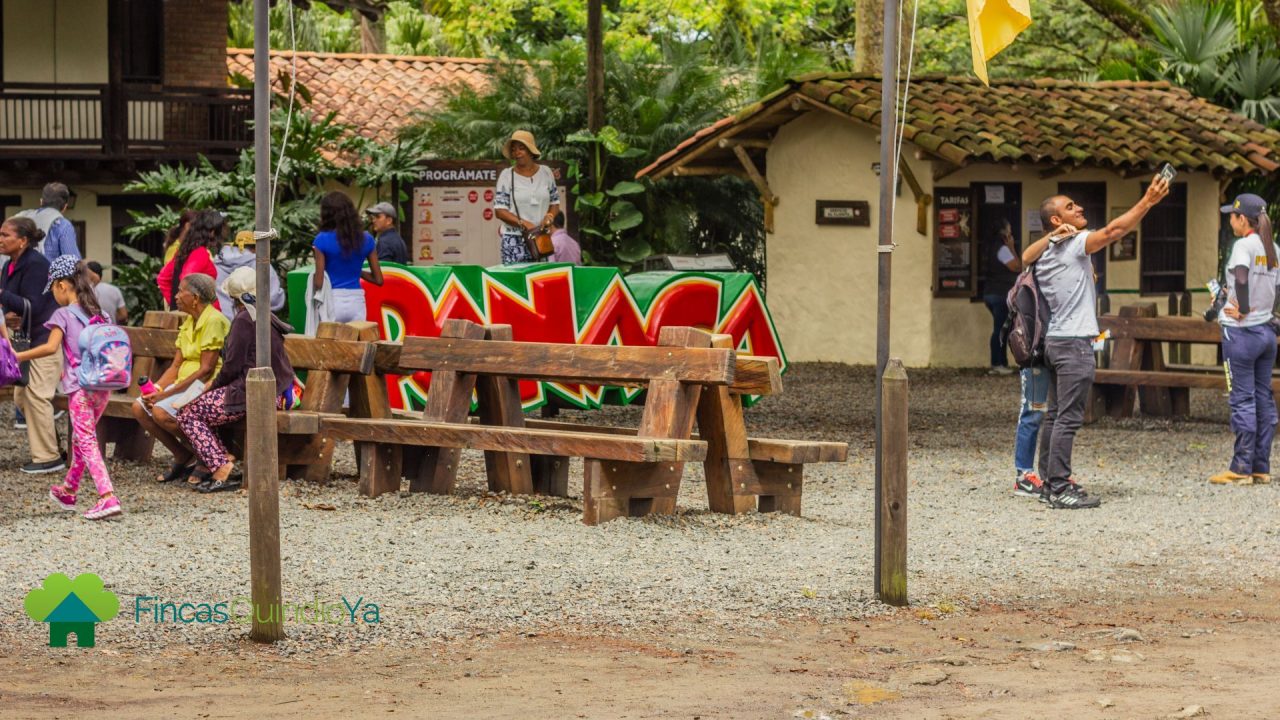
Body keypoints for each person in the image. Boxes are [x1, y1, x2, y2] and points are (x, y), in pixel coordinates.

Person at [1021, 176, 1170, 509]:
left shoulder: (1045, 251)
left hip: (1055, 341)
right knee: (1068, 418)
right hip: (1074, 344)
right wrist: (1148, 200)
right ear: (1056, 220)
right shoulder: (1074, 243)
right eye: (1070, 207)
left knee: (1055, 416)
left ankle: (1049, 482)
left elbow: (1026, 255)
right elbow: (1115, 231)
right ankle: (1060, 487)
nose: (1079, 208)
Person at [10, 256, 121, 519]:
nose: (53, 294)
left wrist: (18, 356)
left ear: (62, 285)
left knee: (86, 439)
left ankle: (107, 496)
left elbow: (50, 348)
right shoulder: (100, 313)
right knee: (81, 438)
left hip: (80, 388)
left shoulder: (63, 314)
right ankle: (68, 490)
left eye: (53, 288)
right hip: (103, 385)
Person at [178, 267, 296, 493]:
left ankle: (220, 465)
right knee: (201, 407)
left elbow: (231, 367)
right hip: (273, 391)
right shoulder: (265, 315)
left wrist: (212, 386)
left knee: (188, 412)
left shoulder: (244, 319)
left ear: (233, 297)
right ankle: (219, 458)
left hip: (252, 392)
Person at [131, 273, 229, 484]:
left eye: (180, 291)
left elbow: (206, 370)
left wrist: (164, 396)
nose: (175, 296)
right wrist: (156, 389)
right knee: (139, 407)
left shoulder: (213, 320)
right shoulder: (189, 321)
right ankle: (182, 454)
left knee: (161, 411)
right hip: (184, 384)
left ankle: (207, 455)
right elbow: (176, 366)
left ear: (195, 298)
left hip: (205, 386)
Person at [1209, 194, 1279, 486]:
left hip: (1241, 333)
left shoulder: (1243, 246)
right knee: (1263, 397)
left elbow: (1240, 277)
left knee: (1242, 398)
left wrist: (1245, 308)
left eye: (1232, 215)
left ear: (1242, 219)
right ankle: (1261, 466)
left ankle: (1240, 468)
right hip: (1266, 333)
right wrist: (1265, 310)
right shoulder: (1273, 248)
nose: (1230, 220)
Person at [0, 217, 64, 474]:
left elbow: (34, 305)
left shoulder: (36, 264)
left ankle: (48, 457)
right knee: (21, 396)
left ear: (23, 240)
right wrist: (7, 314)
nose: (0, 239)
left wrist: (3, 296)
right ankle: (54, 447)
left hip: (45, 339)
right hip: (25, 339)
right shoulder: (9, 265)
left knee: (37, 395)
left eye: (5, 235)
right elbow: (13, 303)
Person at [312, 191, 383, 323]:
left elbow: (319, 283)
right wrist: (355, 271)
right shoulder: (367, 239)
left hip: (332, 300)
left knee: (330, 337)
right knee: (356, 337)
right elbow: (378, 280)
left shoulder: (321, 240)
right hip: (357, 301)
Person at [493, 130, 561, 264]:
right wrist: (524, 223)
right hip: (514, 240)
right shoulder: (507, 175)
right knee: (515, 277)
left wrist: (549, 217)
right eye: (513, 150)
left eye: (521, 148)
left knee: (539, 276)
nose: (516, 153)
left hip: (540, 239)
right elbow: (499, 211)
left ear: (531, 151)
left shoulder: (546, 173)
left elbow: (555, 203)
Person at [158, 209, 223, 311]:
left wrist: (176, 305)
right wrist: (190, 309)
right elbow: (186, 281)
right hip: (204, 314)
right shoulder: (200, 253)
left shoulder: (184, 251)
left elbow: (163, 278)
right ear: (212, 232)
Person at [214, 230, 285, 320]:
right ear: (255, 248)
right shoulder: (261, 264)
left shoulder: (217, 264)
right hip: (252, 321)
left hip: (221, 320)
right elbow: (273, 298)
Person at [984, 220, 1021, 375]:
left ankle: (1002, 362)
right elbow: (1017, 267)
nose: (1011, 233)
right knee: (1000, 330)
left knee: (1002, 329)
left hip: (991, 292)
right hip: (999, 294)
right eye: (1009, 229)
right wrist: (1011, 247)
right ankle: (997, 364)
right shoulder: (1002, 250)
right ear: (1004, 233)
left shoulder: (992, 248)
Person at [16, 182, 81, 261]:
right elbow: (72, 261)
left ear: (41, 201)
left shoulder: (23, 218)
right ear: (65, 207)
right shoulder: (63, 225)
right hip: (46, 268)